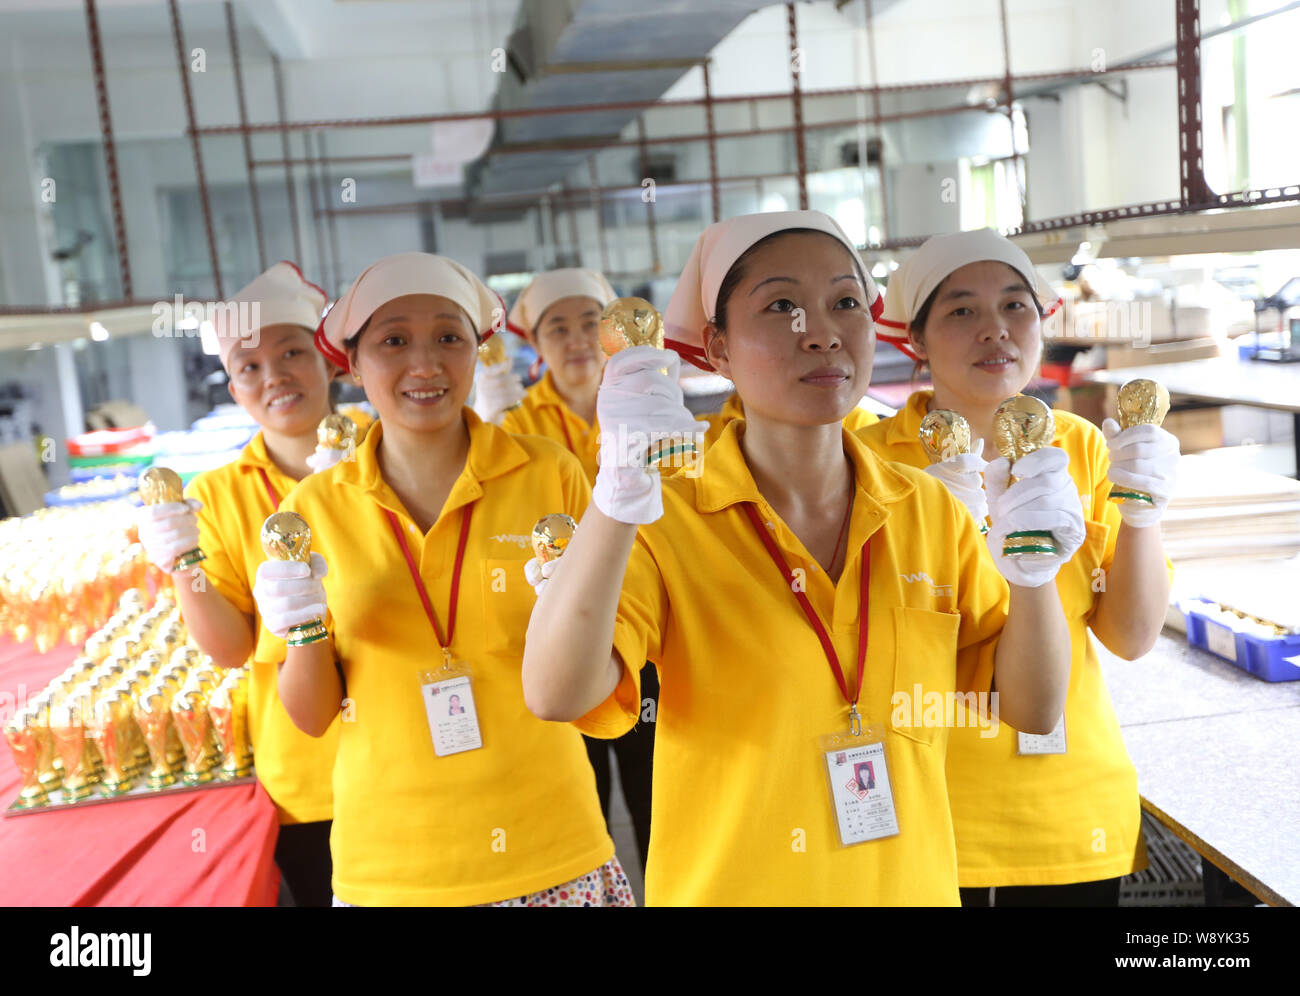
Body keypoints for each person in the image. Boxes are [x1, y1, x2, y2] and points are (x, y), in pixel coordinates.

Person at [521, 210, 1082, 906]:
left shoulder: (928, 507)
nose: (820, 331)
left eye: (845, 301)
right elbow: (556, 692)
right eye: (782, 305)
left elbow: (1032, 708)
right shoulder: (668, 516)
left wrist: (1034, 575)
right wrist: (616, 493)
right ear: (718, 349)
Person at [253, 251, 628, 907]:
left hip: (552, 845)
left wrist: (580, 616)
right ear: (352, 364)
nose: (424, 365)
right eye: (394, 340)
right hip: (392, 866)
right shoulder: (311, 510)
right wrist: (302, 626)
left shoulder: (549, 474)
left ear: (477, 352)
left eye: (448, 338)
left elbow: (606, 678)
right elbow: (312, 718)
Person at [858, 227, 1178, 907]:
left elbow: (1130, 637)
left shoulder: (1081, 447)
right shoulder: (867, 461)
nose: (995, 331)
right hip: (924, 810)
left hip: (1064, 811)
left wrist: (1143, 513)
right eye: (962, 310)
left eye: (1016, 306)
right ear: (915, 339)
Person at [135, 261, 342, 907]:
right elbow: (229, 650)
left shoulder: (392, 459)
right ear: (233, 388)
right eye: (250, 367)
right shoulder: (216, 496)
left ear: (331, 362)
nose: (274, 375)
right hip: (309, 775)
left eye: (291, 353)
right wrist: (183, 564)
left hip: (414, 746)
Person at [492, 268, 657, 875]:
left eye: (590, 320)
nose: (576, 338)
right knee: (584, 795)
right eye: (556, 327)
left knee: (655, 790)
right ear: (534, 341)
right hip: (563, 640)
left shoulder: (650, 408)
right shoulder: (513, 433)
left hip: (648, 628)